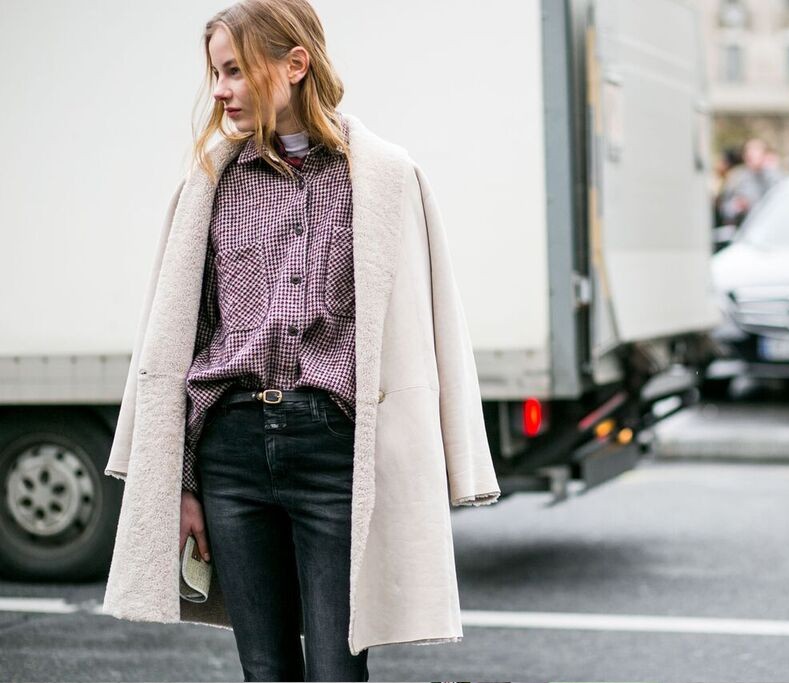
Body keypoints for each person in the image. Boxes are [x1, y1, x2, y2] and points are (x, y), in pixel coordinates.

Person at [101, 1, 501, 680]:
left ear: (295, 64)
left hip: (334, 453)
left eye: (234, 70)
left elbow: (429, 327)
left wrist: (450, 459)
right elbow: (186, 338)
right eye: (215, 74)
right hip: (230, 450)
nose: (219, 90)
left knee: (338, 670)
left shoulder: (382, 177)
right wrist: (184, 483)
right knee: (265, 669)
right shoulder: (210, 184)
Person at [717, 138, 782, 226]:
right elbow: (723, 209)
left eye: (756, 150)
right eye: (747, 151)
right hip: (745, 227)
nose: (750, 154)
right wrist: (735, 206)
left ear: (765, 155)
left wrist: (770, 170)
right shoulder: (736, 177)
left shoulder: (774, 177)